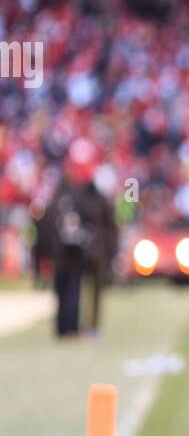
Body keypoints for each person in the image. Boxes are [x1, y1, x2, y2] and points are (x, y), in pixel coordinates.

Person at [44, 140, 117, 338]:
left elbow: (107, 218)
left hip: (90, 248)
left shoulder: (92, 189)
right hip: (73, 249)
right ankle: (70, 327)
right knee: (70, 288)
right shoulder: (66, 188)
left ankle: (87, 326)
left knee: (87, 288)